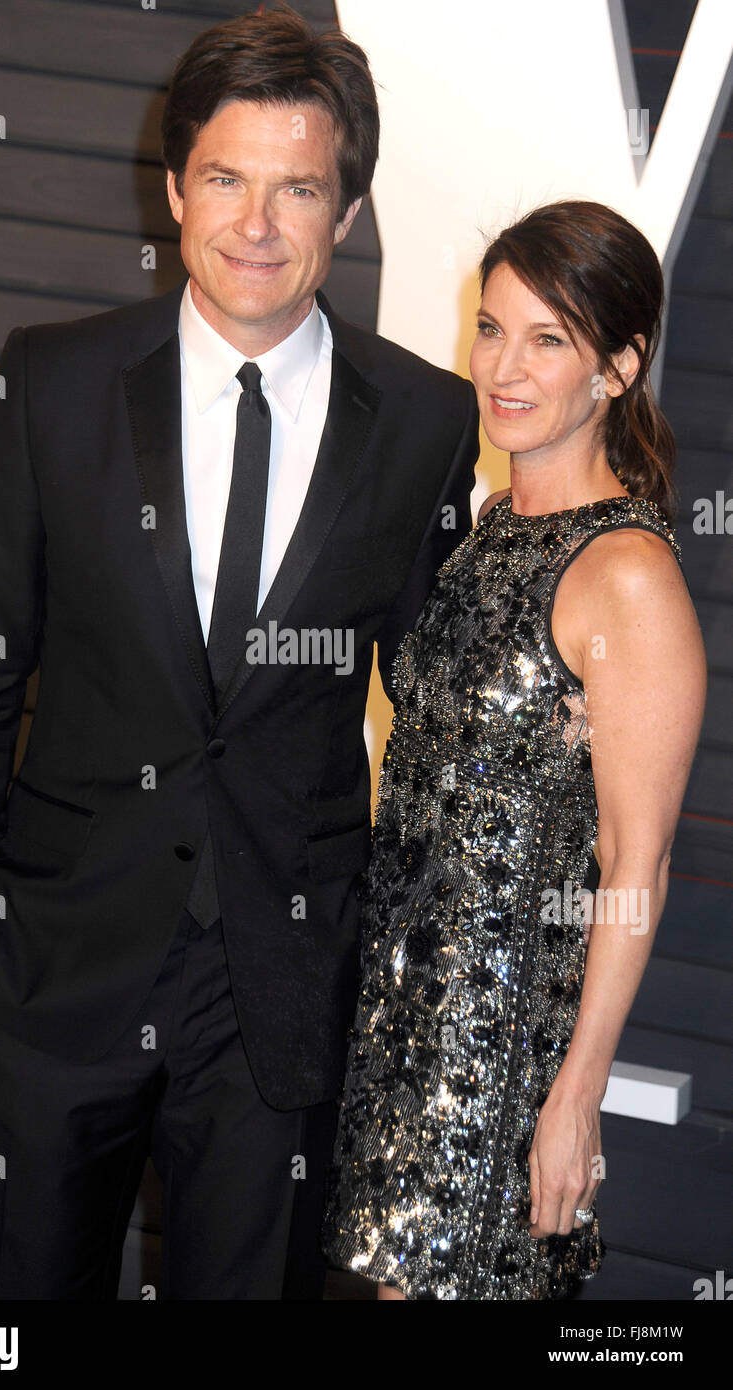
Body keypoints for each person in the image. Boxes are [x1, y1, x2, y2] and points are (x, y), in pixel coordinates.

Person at [0, 7, 478, 1299]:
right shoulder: (49, 385)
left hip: (280, 998)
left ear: (348, 208)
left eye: (297, 188)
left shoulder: (427, 423)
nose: (255, 223)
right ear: (172, 189)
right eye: (224, 178)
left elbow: (429, 715)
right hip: (51, 976)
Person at [322, 200, 706, 1300]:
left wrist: (576, 1087)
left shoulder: (624, 574)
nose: (503, 365)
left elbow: (636, 866)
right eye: (491, 328)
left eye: (548, 338)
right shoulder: (486, 522)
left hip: (499, 1055)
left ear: (617, 365)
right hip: (400, 1023)